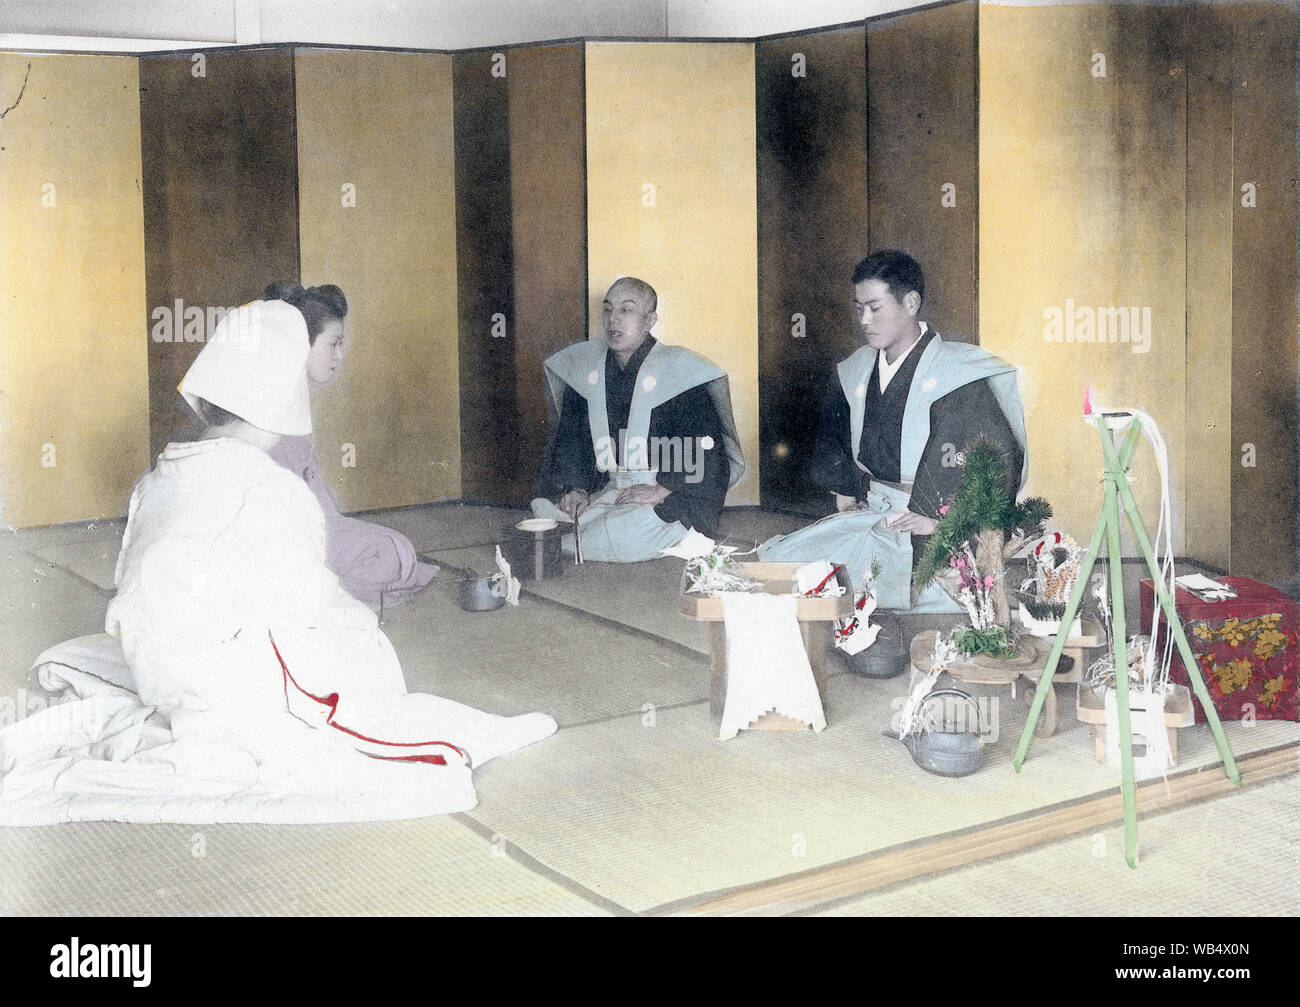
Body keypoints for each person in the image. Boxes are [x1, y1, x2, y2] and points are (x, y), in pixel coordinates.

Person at [0, 300, 556, 825]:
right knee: (365, 664)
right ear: (279, 397)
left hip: (156, 668)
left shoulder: (158, 479)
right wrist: (360, 630)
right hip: (227, 684)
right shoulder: (268, 486)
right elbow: (302, 605)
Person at [758, 251, 1027, 610]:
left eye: (875, 307)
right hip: (873, 511)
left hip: (936, 525)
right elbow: (839, 447)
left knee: (920, 597)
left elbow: (995, 464)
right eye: (859, 309)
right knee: (779, 567)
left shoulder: (959, 374)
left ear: (911, 302)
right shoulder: (854, 370)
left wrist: (940, 522)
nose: (865, 320)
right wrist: (847, 498)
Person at [530, 276, 745, 562]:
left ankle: (585, 533)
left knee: (616, 531)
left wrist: (662, 489)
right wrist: (577, 488)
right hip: (613, 488)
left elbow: (706, 450)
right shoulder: (588, 370)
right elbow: (573, 441)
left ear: (649, 320)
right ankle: (586, 526)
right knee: (546, 508)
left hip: (667, 495)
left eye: (626, 310)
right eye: (608, 309)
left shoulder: (679, 372)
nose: (613, 320)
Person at [262, 281, 437, 609]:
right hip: (280, 532)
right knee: (391, 554)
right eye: (333, 344)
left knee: (395, 547)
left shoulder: (290, 394)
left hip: (303, 523)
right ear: (302, 343)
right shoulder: (272, 404)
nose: (339, 355)